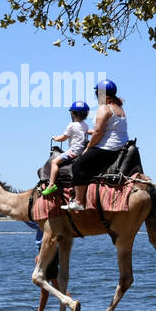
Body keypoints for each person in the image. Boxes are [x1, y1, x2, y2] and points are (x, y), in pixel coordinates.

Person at [64, 80, 127, 212]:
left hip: (107, 148)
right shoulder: (119, 108)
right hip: (120, 145)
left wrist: (88, 148)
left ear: (101, 93)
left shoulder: (104, 108)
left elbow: (99, 132)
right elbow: (110, 129)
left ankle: (79, 202)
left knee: (78, 165)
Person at [42, 101, 93, 197]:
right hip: (83, 151)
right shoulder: (85, 125)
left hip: (74, 151)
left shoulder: (71, 125)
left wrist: (56, 138)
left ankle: (51, 185)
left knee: (54, 162)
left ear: (73, 113)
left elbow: (64, 138)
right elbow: (85, 132)